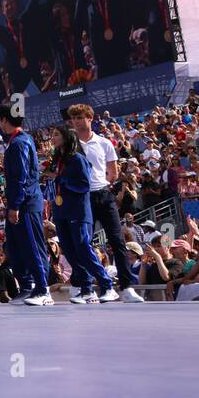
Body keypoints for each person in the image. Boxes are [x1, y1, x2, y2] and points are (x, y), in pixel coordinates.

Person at [65, 104, 141, 302]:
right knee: (83, 243)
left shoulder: (105, 143)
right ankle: (86, 287)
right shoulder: (69, 144)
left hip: (103, 195)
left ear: (90, 118)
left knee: (117, 241)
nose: (77, 121)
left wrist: (100, 183)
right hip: (81, 199)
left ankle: (126, 288)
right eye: (74, 118)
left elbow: (113, 172)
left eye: (81, 117)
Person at [0, 95, 51, 305]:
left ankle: (43, 289)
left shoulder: (19, 144)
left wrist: (15, 206)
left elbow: (21, 177)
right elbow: (2, 130)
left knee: (32, 246)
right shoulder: (19, 139)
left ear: (6, 120)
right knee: (14, 247)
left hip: (25, 204)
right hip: (18, 204)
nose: (0, 125)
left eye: (0, 120)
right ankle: (27, 286)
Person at [47, 124, 116, 304]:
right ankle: (86, 289)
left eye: (56, 134)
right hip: (61, 211)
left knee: (83, 248)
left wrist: (62, 179)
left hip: (78, 210)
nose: (52, 138)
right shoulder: (58, 161)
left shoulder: (78, 159)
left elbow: (85, 185)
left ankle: (107, 284)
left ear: (66, 137)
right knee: (69, 251)